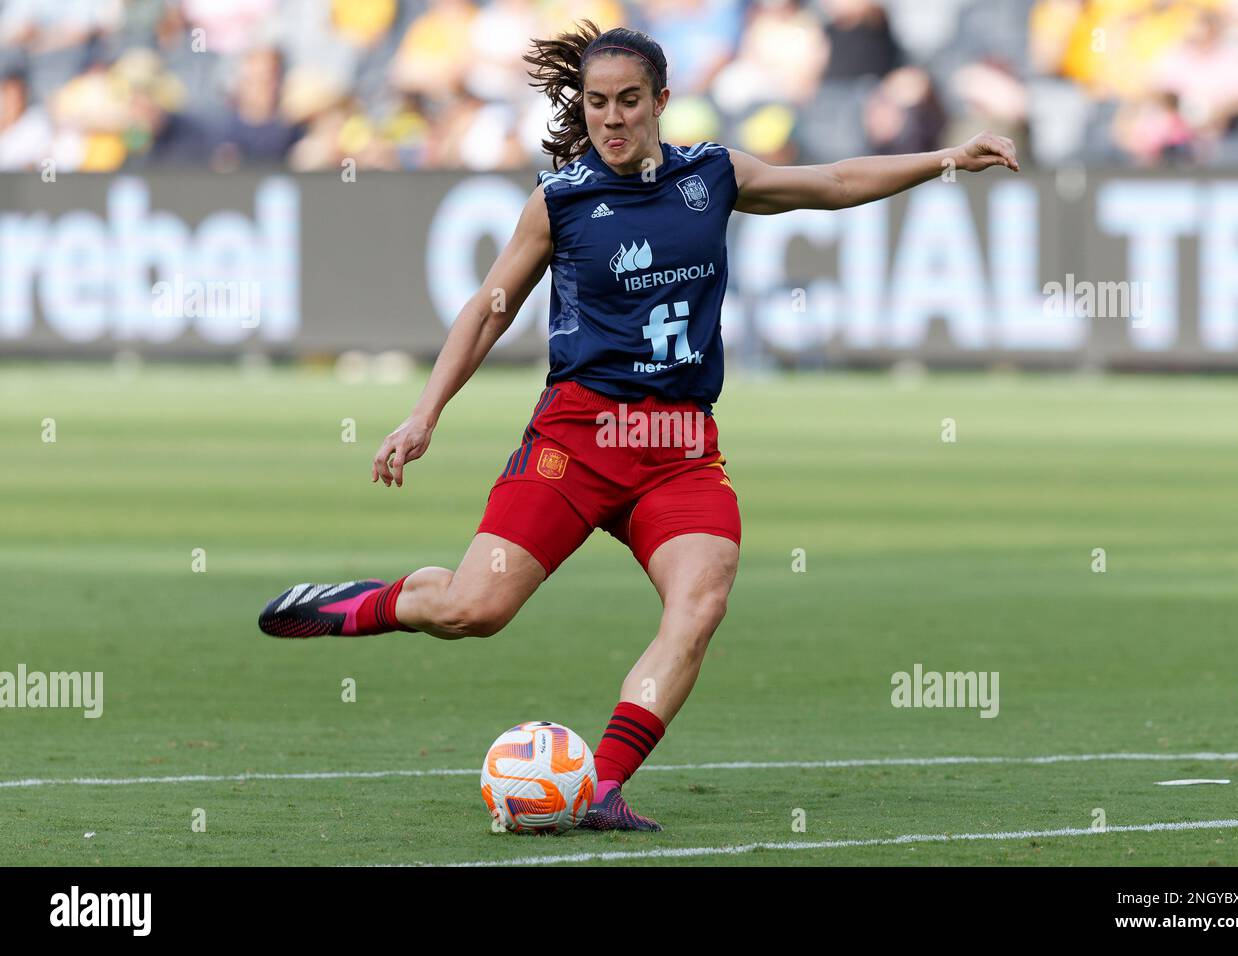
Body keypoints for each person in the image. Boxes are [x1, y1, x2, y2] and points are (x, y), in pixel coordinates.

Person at [257, 20, 1018, 831]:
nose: (612, 120)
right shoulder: (560, 201)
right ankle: (366, 603)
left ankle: (599, 787)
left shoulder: (713, 175)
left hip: (681, 450)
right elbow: (488, 311)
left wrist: (947, 159)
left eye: (628, 102)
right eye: (596, 104)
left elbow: (831, 180)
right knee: (472, 611)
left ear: (661, 101)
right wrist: (424, 414)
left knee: (699, 605)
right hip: (577, 442)